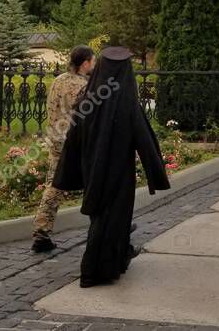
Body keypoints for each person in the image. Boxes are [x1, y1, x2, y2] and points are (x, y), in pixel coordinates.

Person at [53, 46, 170, 287]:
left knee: (100, 216)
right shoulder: (128, 105)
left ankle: (120, 257)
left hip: (92, 168)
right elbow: (144, 140)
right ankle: (93, 271)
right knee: (114, 217)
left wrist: (72, 171)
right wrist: (156, 171)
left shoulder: (87, 101)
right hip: (118, 172)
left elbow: (73, 140)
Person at [31, 44, 95, 253]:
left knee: (54, 184)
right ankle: (102, 226)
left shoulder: (58, 81)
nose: (94, 65)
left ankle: (41, 230)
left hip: (56, 139)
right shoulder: (85, 86)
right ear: (85, 63)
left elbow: (51, 108)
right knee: (94, 181)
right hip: (77, 142)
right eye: (92, 61)